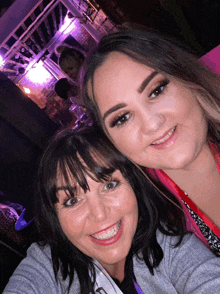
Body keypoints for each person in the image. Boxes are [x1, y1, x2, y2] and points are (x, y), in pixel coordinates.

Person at [3, 127, 220, 294]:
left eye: (109, 185)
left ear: (133, 185)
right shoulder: (48, 265)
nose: (99, 214)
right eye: (72, 200)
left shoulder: (170, 246)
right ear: (54, 216)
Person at [82, 29, 220, 256]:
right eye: (122, 118)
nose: (152, 124)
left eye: (156, 91)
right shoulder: (145, 223)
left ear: (187, 79)